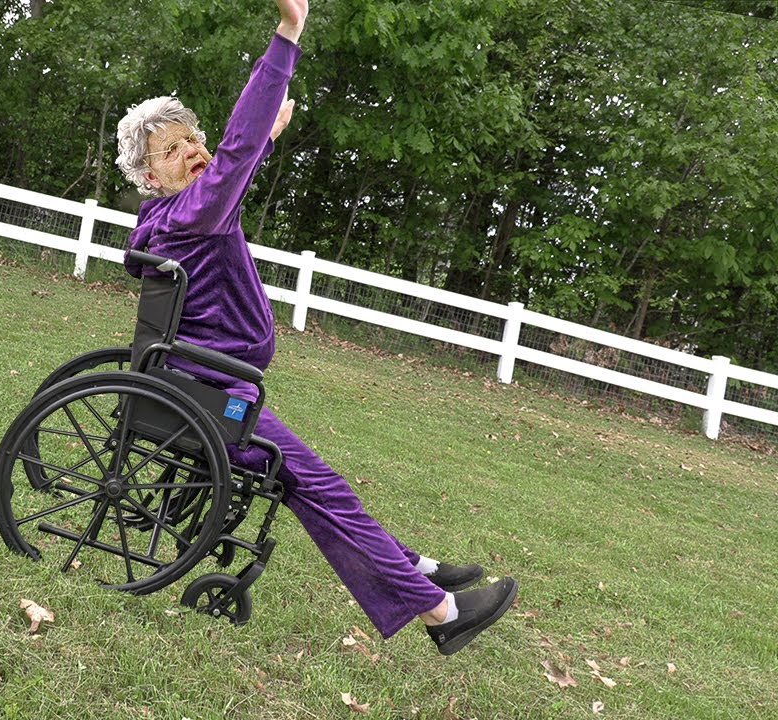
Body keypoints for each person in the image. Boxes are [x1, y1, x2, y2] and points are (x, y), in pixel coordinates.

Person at [117, 0, 518, 656]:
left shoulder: (177, 217)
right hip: (214, 398)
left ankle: (414, 569)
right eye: (172, 148)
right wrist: (286, 36)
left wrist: (262, 140)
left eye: (193, 139)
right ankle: (442, 613)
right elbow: (234, 155)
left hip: (202, 386)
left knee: (318, 481)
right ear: (150, 174)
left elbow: (234, 164)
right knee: (321, 485)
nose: (192, 151)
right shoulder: (189, 213)